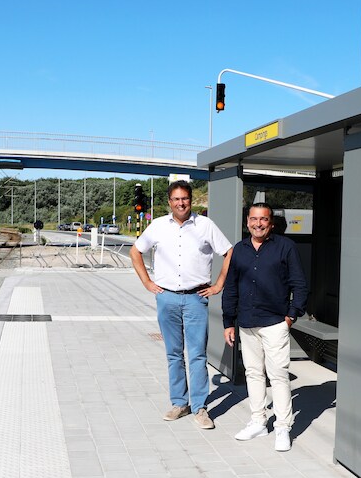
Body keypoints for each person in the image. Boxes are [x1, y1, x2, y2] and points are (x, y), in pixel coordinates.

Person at [131, 181, 233, 429]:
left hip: (196, 298)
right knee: (173, 354)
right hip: (166, 298)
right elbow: (136, 252)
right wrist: (147, 282)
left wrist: (219, 284)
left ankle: (199, 408)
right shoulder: (157, 226)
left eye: (185, 199)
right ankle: (180, 403)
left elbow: (229, 252)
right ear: (169, 202)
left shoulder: (205, 225)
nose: (181, 203)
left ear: (191, 200)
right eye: (176, 199)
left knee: (197, 355)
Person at [222, 202, 308, 451]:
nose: (258, 223)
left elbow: (299, 285)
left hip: (274, 323)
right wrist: (229, 321)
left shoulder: (285, 247)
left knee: (278, 375)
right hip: (246, 323)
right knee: (253, 373)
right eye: (253, 219)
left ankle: (283, 427)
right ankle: (258, 421)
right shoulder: (239, 249)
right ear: (247, 221)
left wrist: (291, 316)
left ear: (271, 223)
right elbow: (231, 287)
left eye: (263, 219)